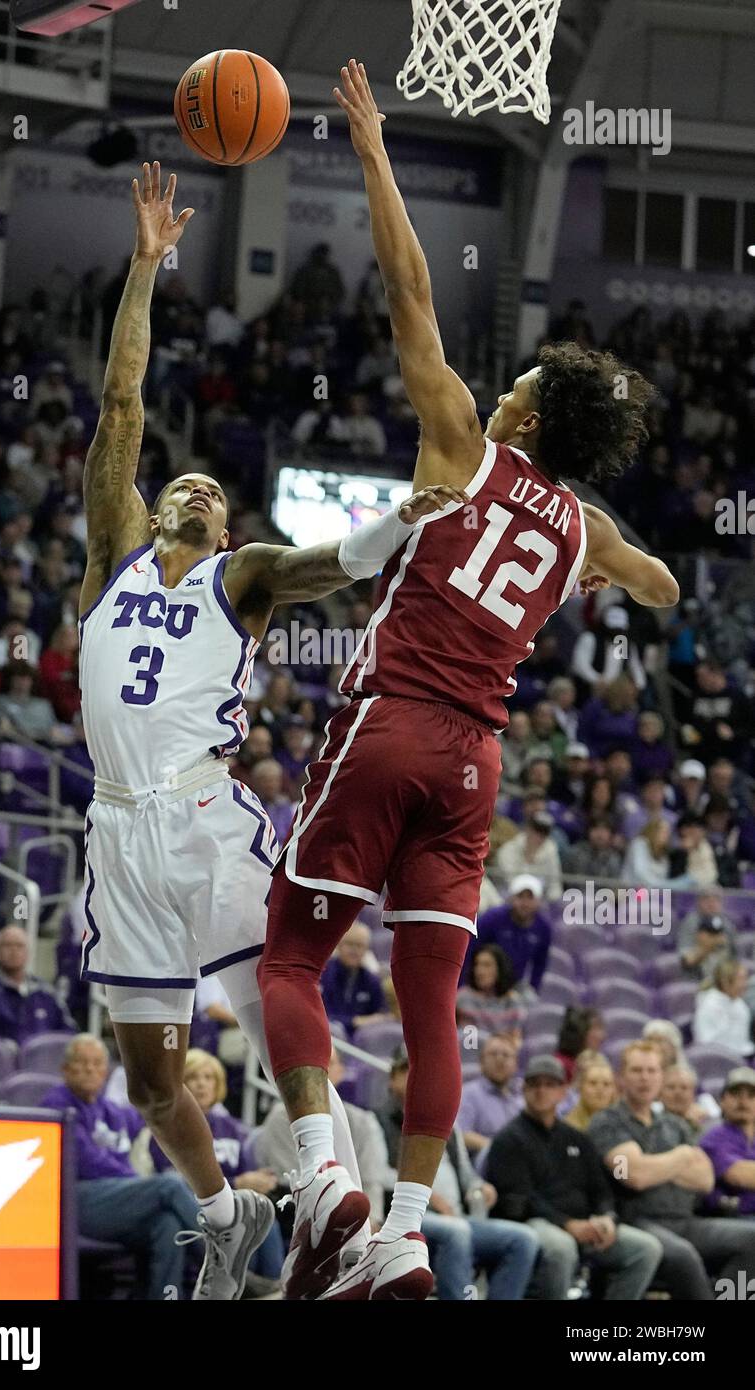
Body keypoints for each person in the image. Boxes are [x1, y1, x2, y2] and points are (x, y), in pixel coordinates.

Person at [258, 60, 678, 1301]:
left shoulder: (465, 448)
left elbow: (408, 288)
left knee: (288, 957)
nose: (498, 389)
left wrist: (375, 153)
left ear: (528, 422)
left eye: (519, 388)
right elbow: (656, 580)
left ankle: (326, 1186)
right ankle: (400, 1231)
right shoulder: (581, 530)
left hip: (392, 720)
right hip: (474, 767)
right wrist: (594, 566)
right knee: (431, 1005)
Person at [76, 162, 455, 1301]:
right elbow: (124, 407)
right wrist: (145, 267)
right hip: (114, 835)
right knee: (152, 1082)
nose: (193, 489)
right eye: (177, 484)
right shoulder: (111, 558)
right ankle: (230, 1213)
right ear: (147, 507)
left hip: (202, 809)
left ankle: (345, 1216)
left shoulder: (237, 574)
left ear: (224, 521)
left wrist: (397, 520)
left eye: (211, 490)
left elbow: (315, 565)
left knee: (273, 1006)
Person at [486, 1054, 662, 1300]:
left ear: (563, 1091)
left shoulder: (576, 1138)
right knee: (561, 1248)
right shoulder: (509, 1139)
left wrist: (606, 1218)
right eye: (535, 1085)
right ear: (524, 1090)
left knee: (646, 1248)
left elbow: (601, 1190)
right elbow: (519, 1199)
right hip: (535, 1223)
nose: (541, 1091)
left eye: (550, 1085)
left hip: (585, 1225)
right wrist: (568, 1224)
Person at [588, 1041, 755, 1300]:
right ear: (621, 1077)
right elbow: (630, 1175)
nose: (645, 1078)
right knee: (682, 1254)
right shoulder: (607, 1122)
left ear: (661, 1077)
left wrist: (650, 1163)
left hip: (684, 1220)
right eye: (636, 1070)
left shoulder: (675, 1126)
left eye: (651, 1071)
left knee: (751, 1237)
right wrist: (681, 1156)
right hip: (637, 1220)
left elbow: (705, 1180)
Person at [41, 1035, 202, 1300]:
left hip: (116, 1201)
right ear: (65, 1069)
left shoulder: (112, 1112)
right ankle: (222, 1258)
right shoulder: (57, 1105)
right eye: (81, 1063)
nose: (90, 1069)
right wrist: (139, 1183)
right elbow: (86, 1163)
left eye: (96, 1063)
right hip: (74, 1201)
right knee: (168, 1186)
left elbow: (154, 1118)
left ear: (106, 1071)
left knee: (169, 1226)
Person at [376, 1047, 540, 1299]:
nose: (416, 1078)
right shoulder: (377, 1120)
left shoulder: (447, 1127)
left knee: (523, 1239)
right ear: (392, 1079)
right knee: (457, 1232)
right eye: (407, 1070)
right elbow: (377, 1174)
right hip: (406, 1216)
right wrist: (425, 1194)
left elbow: (467, 1176)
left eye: (422, 1072)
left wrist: (479, 1187)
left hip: (457, 1215)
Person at [150, 1049, 285, 1280]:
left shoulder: (232, 1127)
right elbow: (175, 1185)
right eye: (193, 1077)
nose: (201, 1084)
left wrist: (257, 1180)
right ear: (180, 1085)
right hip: (194, 1207)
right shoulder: (167, 1127)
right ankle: (234, 1267)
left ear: (217, 1084)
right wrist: (236, 1183)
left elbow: (244, 1175)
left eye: (208, 1077)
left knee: (265, 1215)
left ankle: (275, 1288)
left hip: (232, 1206)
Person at [256, 1045, 390, 1231]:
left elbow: (370, 1180)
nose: (321, 1070)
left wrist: (370, 1223)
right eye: (314, 1063)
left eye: (329, 1063)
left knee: (438, 1231)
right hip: (300, 1214)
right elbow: (292, 1182)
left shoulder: (362, 1121)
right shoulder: (280, 1117)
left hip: (356, 1214)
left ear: (341, 1072)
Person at [0, 925, 76, 1046]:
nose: (14, 951)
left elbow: (69, 1034)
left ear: (28, 953)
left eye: (19, 946)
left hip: (43, 1062)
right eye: (7, 945)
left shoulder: (47, 993)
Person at [473, 876, 553, 996]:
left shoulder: (543, 928)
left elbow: (540, 964)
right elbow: (471, 948)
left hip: (515, 985)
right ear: (512, 898)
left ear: (538, 901)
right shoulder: (492, 919)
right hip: (483, 984)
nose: (525, 903)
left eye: (530, 897)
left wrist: (533, 988)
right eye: (520, 897)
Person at [457, 1033, 523, 1161]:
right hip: (484, 1164)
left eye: (506, 1055)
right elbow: (461, 1134)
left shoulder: (521, 1097)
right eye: (493, 1054)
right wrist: (498, 1148)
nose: (500, 1059)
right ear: (481, 1063)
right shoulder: (469, 1093)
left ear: (515, 1065)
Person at [700, 1066, 755, 1217]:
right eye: (736, 1094)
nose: (743, 1101)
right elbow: (738, 1175)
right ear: (722, 1101)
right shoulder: (714, 1137)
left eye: (751, 1095)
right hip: (729, 1216)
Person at [320, 921, 386, 1038]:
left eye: (360, 946)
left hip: (361, 1039)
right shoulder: (323, 973)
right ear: (339, 945)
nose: (354, 951)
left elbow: (379, 1016)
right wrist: (355, 1021)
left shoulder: (372, 980)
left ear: (367, 949)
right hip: (328, 1035)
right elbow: (322, 1014)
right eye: (350, 944)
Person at [455, 944, 527, 1040]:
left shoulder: (513, 1001)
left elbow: (515, 1042)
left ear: (500, 969)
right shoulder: (461, 998)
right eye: (477, 964)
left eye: (487, 965)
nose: (480, 971)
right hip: (466, 1051)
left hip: (498, 1053)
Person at [493, 810, 563, 902]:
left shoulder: (551, 850)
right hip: (509, 898)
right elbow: (510, 882)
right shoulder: (508, 850)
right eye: (537, 831)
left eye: (544, 833)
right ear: (528, 829)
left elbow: (555, 884)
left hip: (539, 900)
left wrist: (553, 902)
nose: (539, 836)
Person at [693, 961, 753, 1058]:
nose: (745, 984)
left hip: (742, 1056)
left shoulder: (740, 1004)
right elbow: (705, 1043)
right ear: (725, 982)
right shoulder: (709, 1006)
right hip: (716, 1060)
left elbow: (742, 1041)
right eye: (741, 979)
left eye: (746, 978)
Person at [678, 889, 738, 981]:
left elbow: (736, 958)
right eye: (706, 899)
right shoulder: (690, 922)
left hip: (724, 978)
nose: (711, 903)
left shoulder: (727, 924)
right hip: (696, 978)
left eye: (716, 899)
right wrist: (707, 947)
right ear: (698, 902)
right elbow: (686, 960)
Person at [554, 1006, 606, 1084]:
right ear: (581, 1032)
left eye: (601, 1028)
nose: (602, 1036)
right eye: (595, 1028)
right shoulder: (560, 1065)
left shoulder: (599, 1060)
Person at [565, 1054, 616, 1132]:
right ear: (581, 1087)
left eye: (606, 1084)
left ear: (614, 1089)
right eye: (593, 1083)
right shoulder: (568, 1126)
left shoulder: (624, 1125)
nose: (600, 1089)